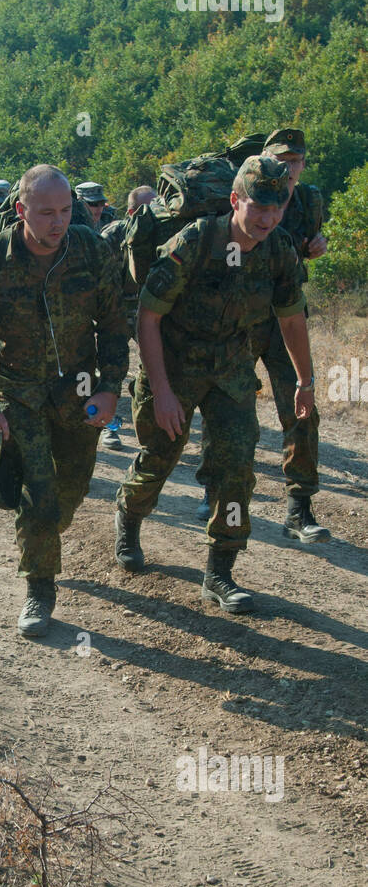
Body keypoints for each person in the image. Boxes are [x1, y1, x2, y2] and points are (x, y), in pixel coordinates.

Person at [114, 156, 314, 614]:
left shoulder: (279, 249)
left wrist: (305, 379)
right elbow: (148, 317)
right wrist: (162, 391)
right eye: (258, 207)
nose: (267, 218)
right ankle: (129, 515)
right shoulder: (195, 241)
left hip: (230, 368)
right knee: (158, 458)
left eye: (276, 207)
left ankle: (220, 571)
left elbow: (292, 318)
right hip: (175, 364)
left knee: (237, 466)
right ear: (235, 201)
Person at [0, 164, 129, 637]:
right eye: (46, 212)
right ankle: (39, 587)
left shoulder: (92, 250)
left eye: (66, 210)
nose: (58, 222)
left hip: (78, 394)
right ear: (21, 211)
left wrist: (111, 387)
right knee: (40, 496)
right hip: (20, 392)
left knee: (69, 494)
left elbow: (116, 324)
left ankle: (43, 532)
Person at [195, 128, 330, 543]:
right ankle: (213, 489)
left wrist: (315, 246)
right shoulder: (249, 195)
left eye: (296, 161)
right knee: (226, 402)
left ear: (304, 164)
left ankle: (299, 507)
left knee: (302, 408)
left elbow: (304, 245)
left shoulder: (308, 200)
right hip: (243, 316)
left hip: (286, 316)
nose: (289, 168)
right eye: (281, 159)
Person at [99, 185, 156, 448]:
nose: (155, 213)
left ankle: (143, 407)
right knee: (110, 365)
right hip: (113, 306)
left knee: (158, 360)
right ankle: (108, 424)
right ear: (132, 212)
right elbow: (98, 281)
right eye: (148, 209)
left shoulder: (163, 233)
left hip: (146, 306)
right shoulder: (112, 236)